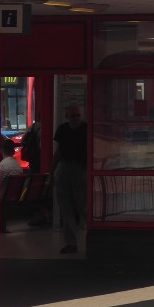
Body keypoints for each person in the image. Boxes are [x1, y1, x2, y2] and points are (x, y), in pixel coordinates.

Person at [53, 103, 87, 254]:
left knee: (83, 206)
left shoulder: (84, 129)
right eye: (73, 116)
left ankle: (87, 240)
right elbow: (59, 152)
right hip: (67, 167)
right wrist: (52, 171)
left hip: (80, 169)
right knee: (66, 208)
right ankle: (71, 242)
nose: (75, 118)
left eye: (77, 115)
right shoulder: (64, 130)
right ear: (67, 116)